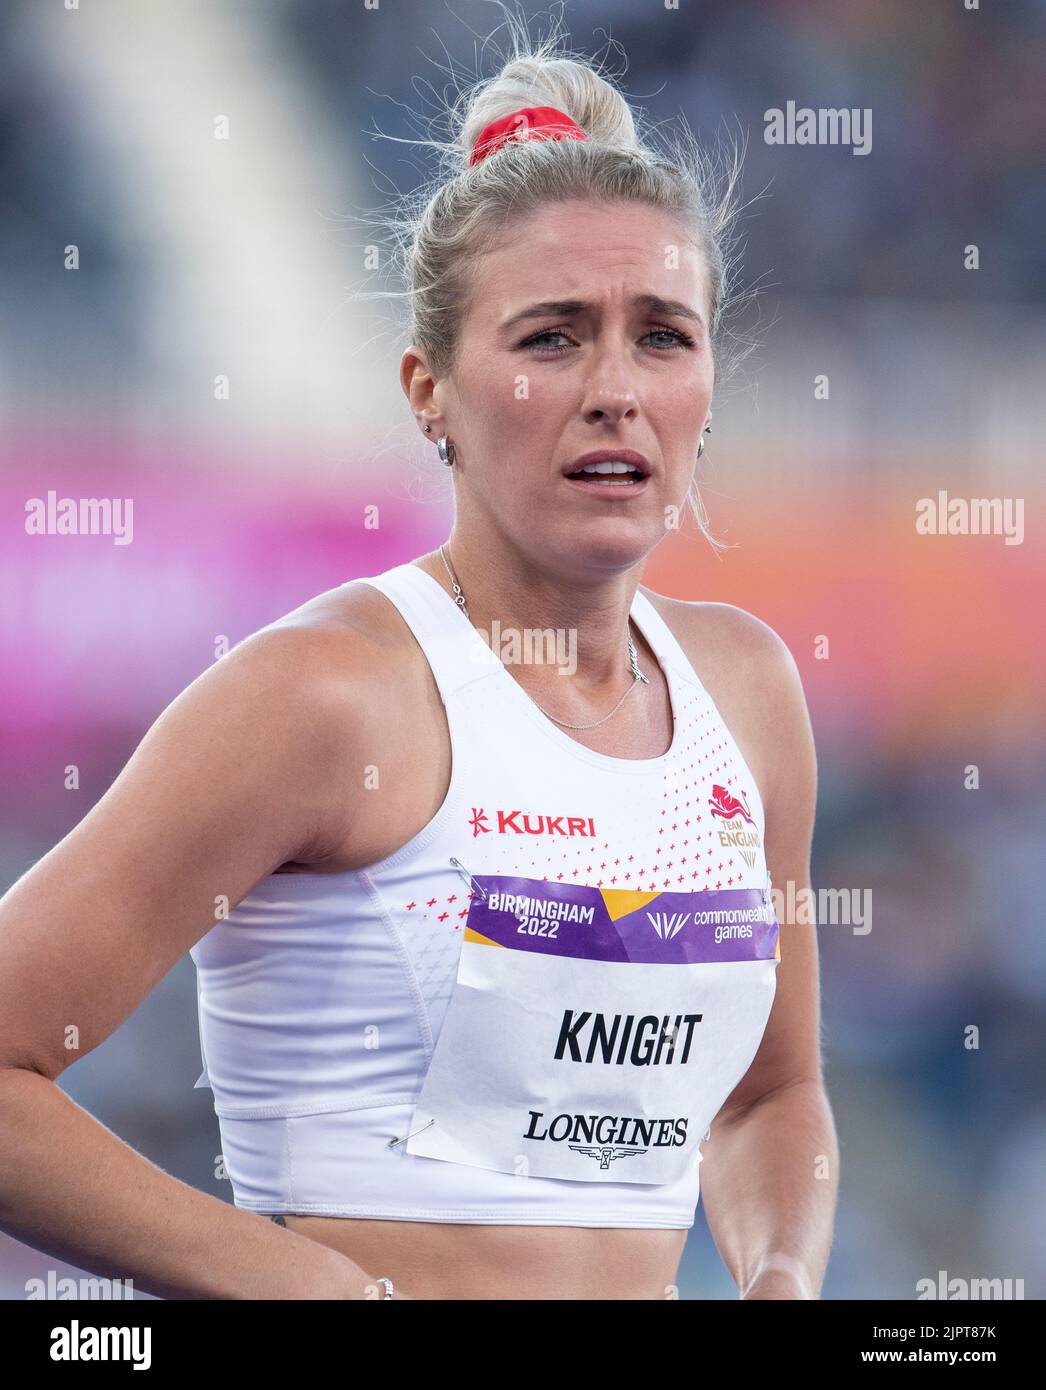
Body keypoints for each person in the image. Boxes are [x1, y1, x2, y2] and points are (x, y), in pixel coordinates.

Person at [0, 29, 837, 1301]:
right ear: (428, 390)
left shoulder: (748, 690)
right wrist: (314, 1289)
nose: (614, 390)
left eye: (662, 336)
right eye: (551, 338)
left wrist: (778, 1273)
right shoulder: (326, 695)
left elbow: (771, 1094)